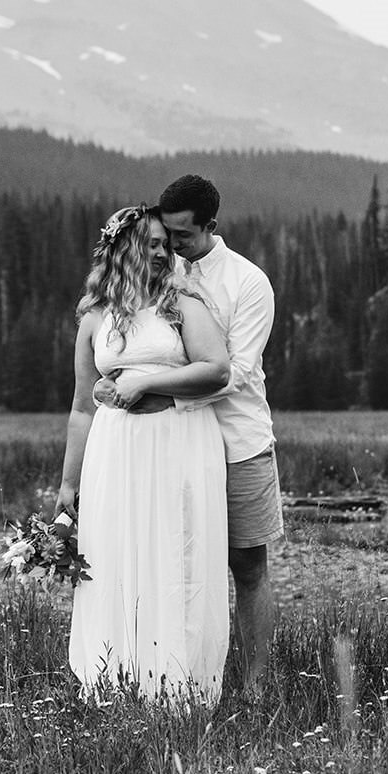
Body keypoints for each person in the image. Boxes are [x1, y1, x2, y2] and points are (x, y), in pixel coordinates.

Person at [55, 204, 232, 703]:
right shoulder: (94, 318)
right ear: (123, 250)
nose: (162, 252)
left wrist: (145, 383)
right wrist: (69, 484)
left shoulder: (184, 303)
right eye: (150, 244)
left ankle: (180, 688)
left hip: (178, 445)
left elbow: (217, 369)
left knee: (175, 555)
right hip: (115, 454)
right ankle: (117, 684)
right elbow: (81, 408)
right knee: (116, 557)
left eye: (164, 244)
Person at [155, 173, 284, 691]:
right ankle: (183, 677)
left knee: (248, 569)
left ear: (211, 226)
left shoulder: (248, 283)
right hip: (176, 446)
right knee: (180, 565)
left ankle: (254, 686)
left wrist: (164, 395)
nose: (174, 246)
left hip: (238, 446)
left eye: (183, 236)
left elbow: (242, 372)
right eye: (168, 235)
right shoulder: (161, 276)